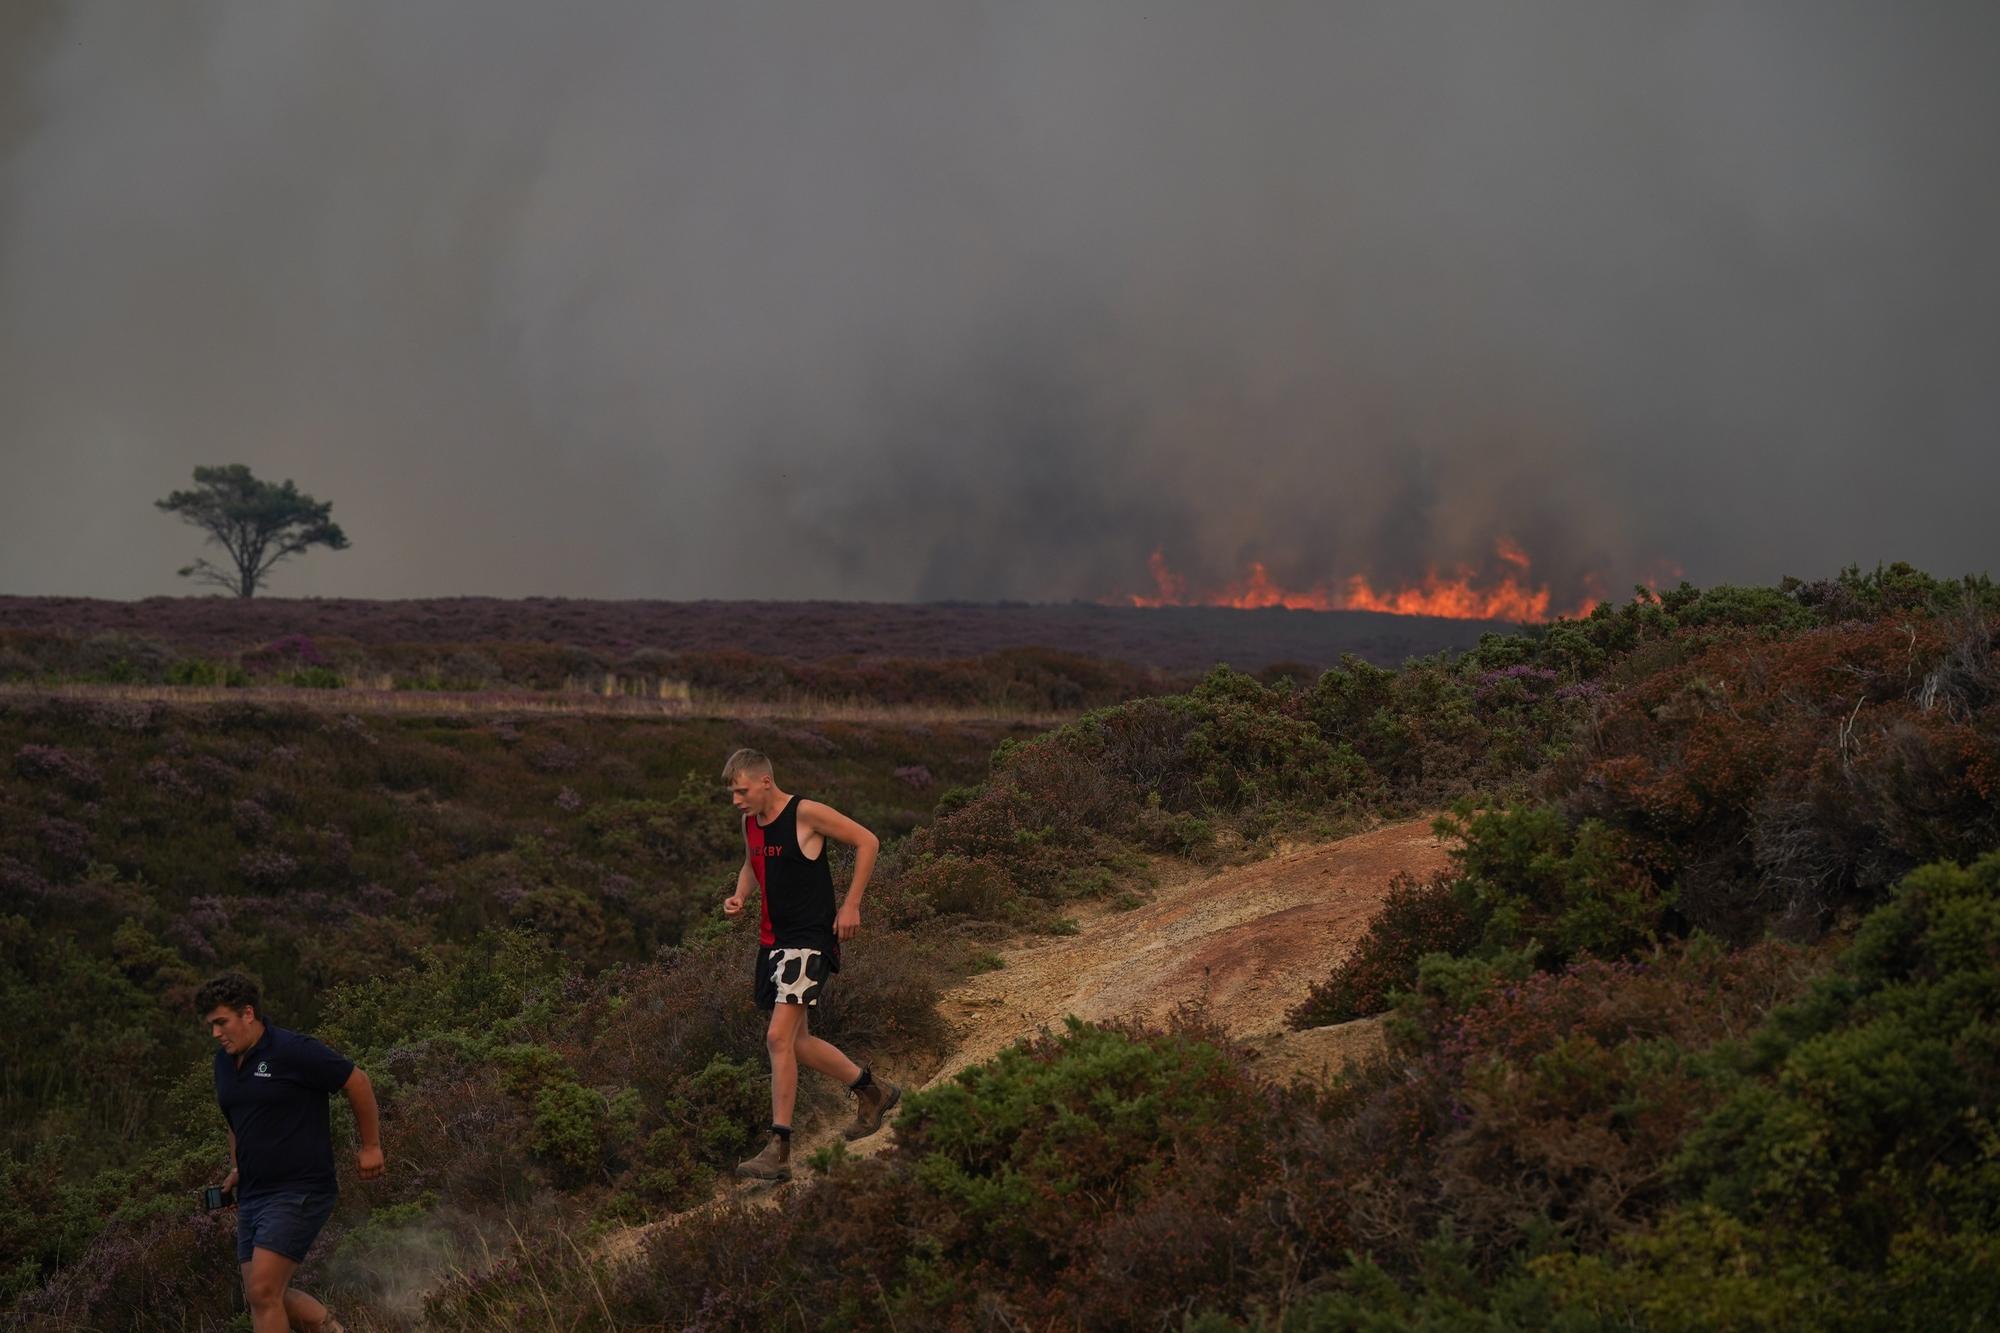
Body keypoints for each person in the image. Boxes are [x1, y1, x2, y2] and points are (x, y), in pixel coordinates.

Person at [721, 748, 899, 1181]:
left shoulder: (805, 813)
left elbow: (867, 841)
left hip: (809, 942)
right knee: (796, 1043)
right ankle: (873, 1091)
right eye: (732, 792)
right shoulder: (750, 823)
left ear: (765, 781)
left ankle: (778, 1147)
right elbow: (751, 864)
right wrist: (741, 895)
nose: (736, 800)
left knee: (777, 1037)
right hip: (772, 944)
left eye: (742, 790)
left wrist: (851, 905)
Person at [199, 972, 383, 1333]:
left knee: (264, 1290)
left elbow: (356, 1081)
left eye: (221, 1023)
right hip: (253, 1194)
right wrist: (237, 1167)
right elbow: (236, 1119)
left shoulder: (292, 1050)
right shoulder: (223, 1063)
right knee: (263, 1295)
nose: (216, 1034)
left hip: (300, 1188)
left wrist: (371, 1147)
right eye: (210, 1025)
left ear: (247, 1013)